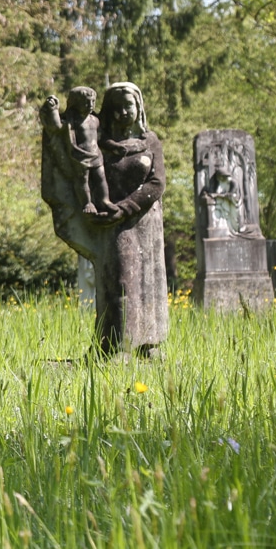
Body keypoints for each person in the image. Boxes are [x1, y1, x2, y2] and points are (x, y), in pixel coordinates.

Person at [88, 82, 168, 356]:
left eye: (129, 106)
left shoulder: (151, 141)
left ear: (139, 107)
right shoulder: (98, 144)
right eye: (117, 107)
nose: (124, 112)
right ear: (108, 112)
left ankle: (150, 344)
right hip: (113, 223)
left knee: (151, 280)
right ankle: (116, 345)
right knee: (120, 280)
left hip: (146, 221)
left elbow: (157, 183)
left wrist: (126, 207)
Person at [40, 87, 114, 215]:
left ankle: (104, 200)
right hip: (80, 156)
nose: (90, 105)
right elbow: (56, 127)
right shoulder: (72, 120)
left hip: (96, 156)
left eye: (92, 102)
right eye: (86, 102)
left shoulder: (94, 120)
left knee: (101, 178)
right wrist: (53, 110)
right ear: (75, 103)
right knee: (82, 181)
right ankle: (87, 203)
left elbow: (101, 138)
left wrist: (114, 146)